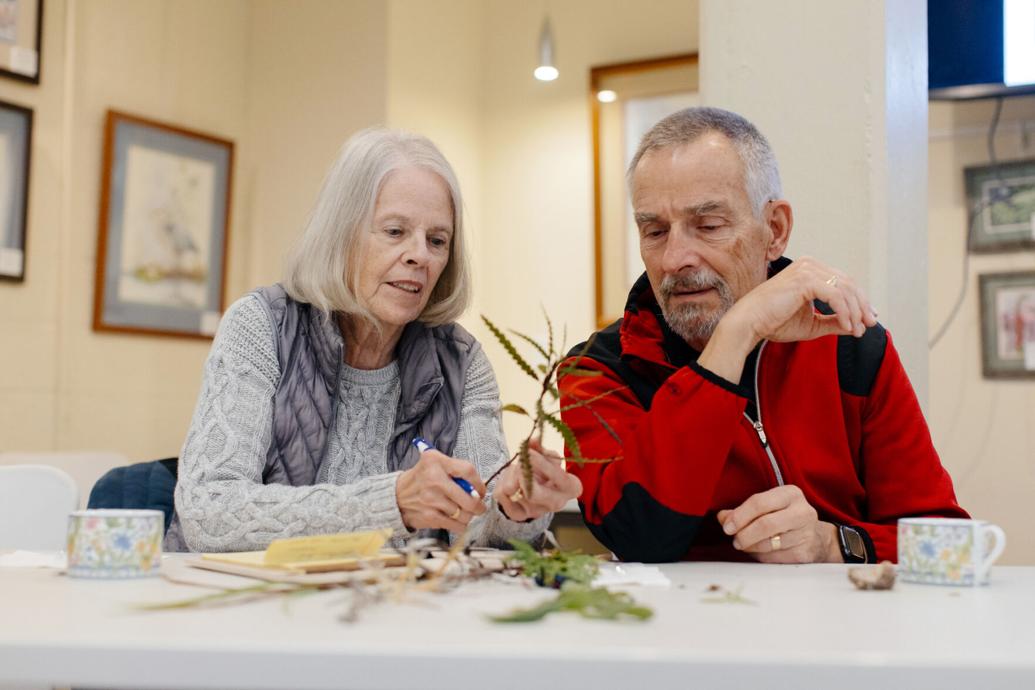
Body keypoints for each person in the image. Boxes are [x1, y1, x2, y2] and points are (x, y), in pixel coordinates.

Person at [559, 107, 967, 564]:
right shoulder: (596, 369)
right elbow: (636, 536)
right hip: (679, 630)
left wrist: (833, 543)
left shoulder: (849, 345)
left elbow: (948, 546)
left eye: (708, 226)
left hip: (840, 630)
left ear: (774, 231)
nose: (674, 259)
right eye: (654, 231)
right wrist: (735, 336)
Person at [165, 128, 581, 552]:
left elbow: (481, 520)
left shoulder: (461, 359)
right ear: (340, 234)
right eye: (395, 232)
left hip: (387, 608)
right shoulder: (262, 327)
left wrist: (516, 508)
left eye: (437, 240)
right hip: (245, 607)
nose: (420, 255)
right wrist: (391, 504)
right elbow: (209, 513)